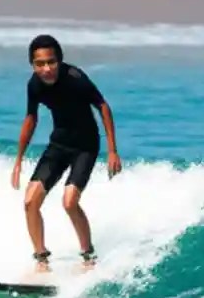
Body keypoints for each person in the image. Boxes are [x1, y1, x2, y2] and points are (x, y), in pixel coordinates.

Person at [9, 34, 121, 272]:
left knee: (69, 202)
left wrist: (112, 150)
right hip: (59, 145)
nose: (46, 68)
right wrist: (18, 160)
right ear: (33, 65)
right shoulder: (34, 85)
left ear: (59, 60)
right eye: (40, 64)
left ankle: (88, 255)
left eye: (51, 62)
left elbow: (102, 105)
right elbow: (31, 119)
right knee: (30, 201)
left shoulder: (76, 78)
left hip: (85, 147)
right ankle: (41, 259)